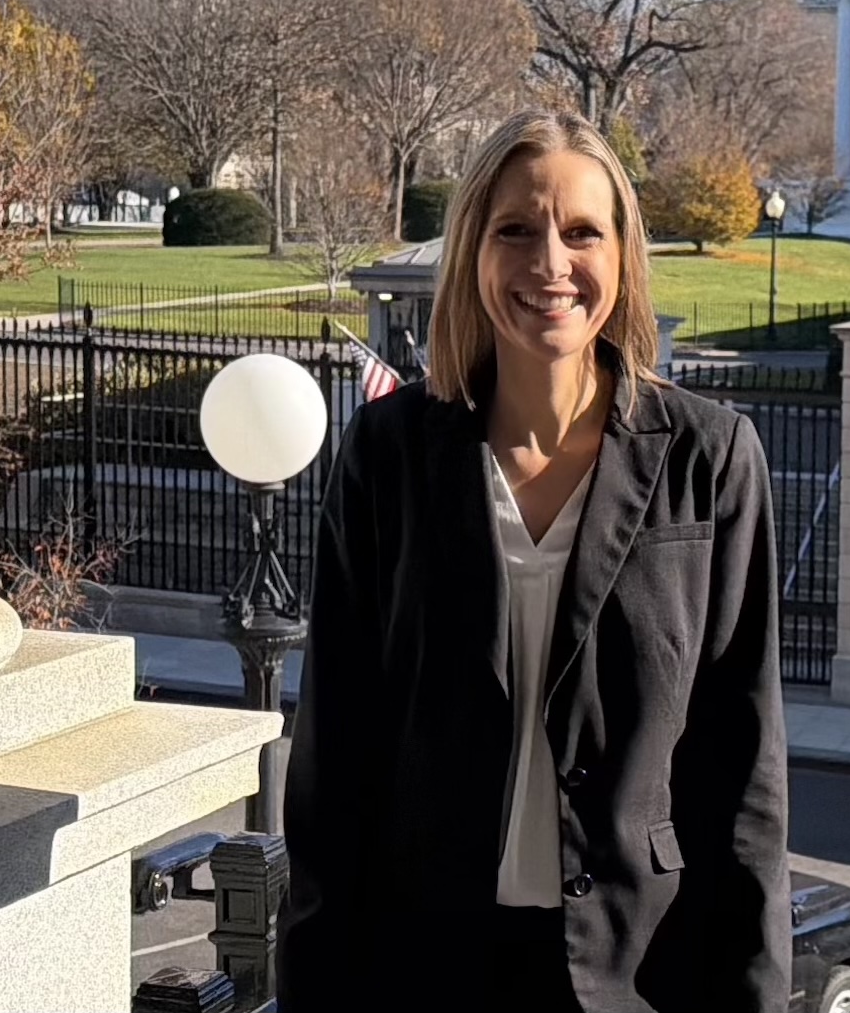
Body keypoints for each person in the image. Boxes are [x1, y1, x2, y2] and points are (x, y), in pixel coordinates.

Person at [278, 110, 788, 1010]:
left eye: (582, 231)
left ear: (623, 256)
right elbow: (333, 761)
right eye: (515, 229)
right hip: (425, 968)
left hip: (641, 974)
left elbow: (744, 780)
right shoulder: (387, 456)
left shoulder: (710, 459)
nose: (549, 262)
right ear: (473, 251)